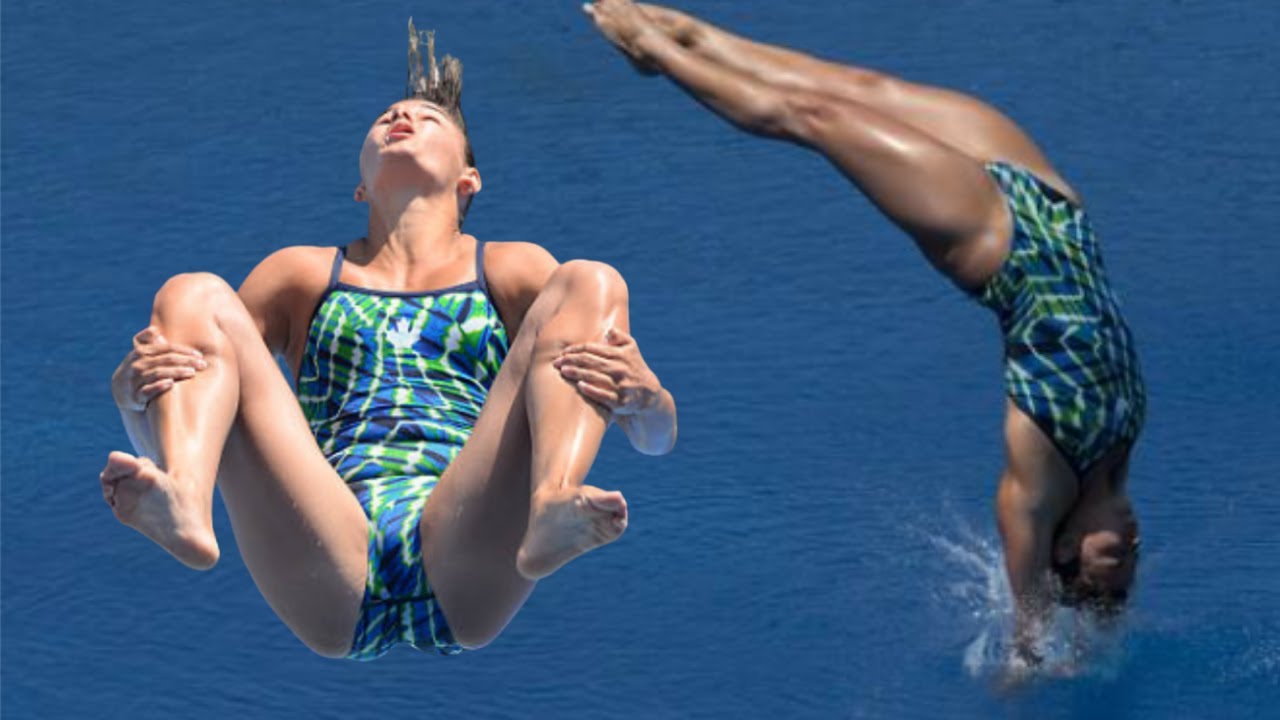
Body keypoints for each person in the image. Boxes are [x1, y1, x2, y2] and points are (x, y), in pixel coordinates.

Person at [584, 0, 1143, 665]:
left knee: (817, 119)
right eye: (1132, 562)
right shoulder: (1116, 456)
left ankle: (661, 55)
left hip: (996, 242)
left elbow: (1027, 604)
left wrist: (1029, 651)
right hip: (1053, 205)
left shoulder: (1044, 472)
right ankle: (686, 30)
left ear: (1067, 548)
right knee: (859, 87)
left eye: (1113, 562)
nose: (1131, 546)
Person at [101, 21, 677, 661]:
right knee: (194, 294)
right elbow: (213, 399)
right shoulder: (301, 274)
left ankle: (551, 502)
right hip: (326, 544)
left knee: (588, 280)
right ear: (360, 185)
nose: (401, 114)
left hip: (473, 537)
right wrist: (132, 401)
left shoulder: (511, 271)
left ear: (469, 178)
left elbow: (654, 442)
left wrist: (647, 400)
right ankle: (184, 499)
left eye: (428, 118)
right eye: (388, 115)